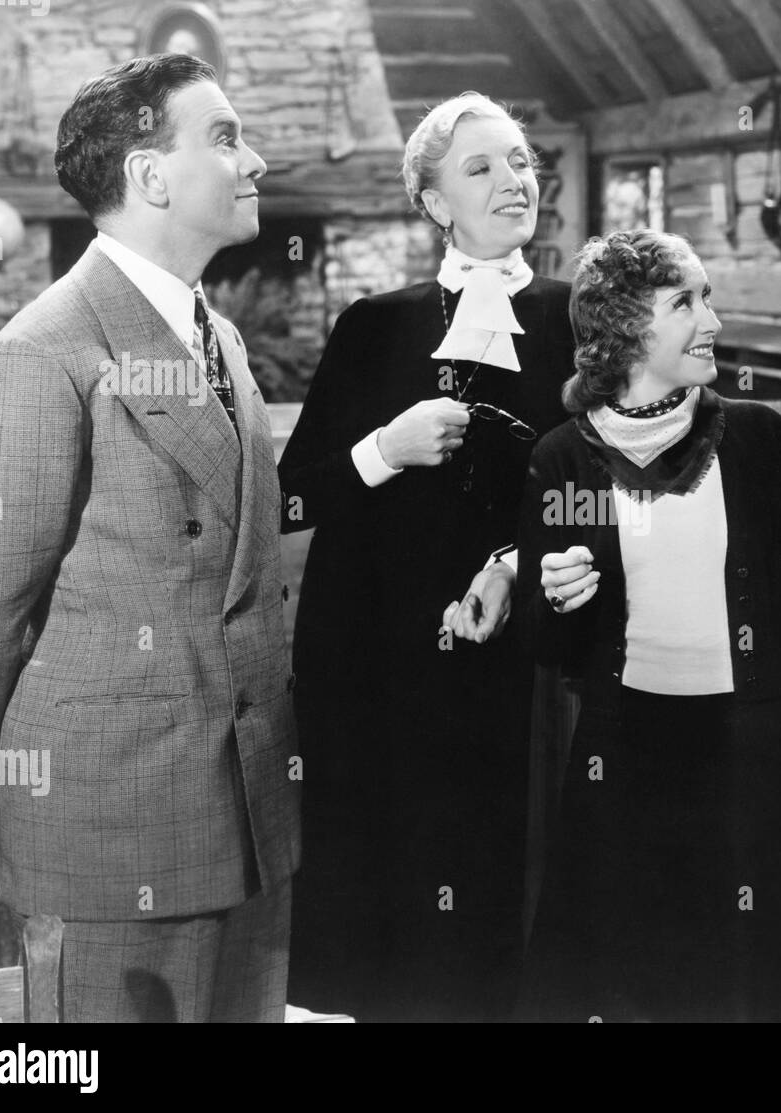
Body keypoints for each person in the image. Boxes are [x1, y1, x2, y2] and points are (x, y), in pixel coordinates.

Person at [0, 54, 299, 1022]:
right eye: (225, 137)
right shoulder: (38, 356)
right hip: (113, 840)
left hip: (251, 826)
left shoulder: (215, 336)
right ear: (149, 177)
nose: (255, 160)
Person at [515, 229, 781, 1021]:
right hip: (621, 762)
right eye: (685, 302)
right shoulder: (565, 458)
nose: (713, 320)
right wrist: (554, 598)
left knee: (748, 984)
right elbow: (545, 648)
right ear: (625, 328)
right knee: (634, 983)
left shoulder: (755, 439)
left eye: (708, 298)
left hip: (750, 756)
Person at [279, 93, 575, 1021]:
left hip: (520, 648)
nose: (512, 182)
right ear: (435, 202)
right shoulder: (375, 324)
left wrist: (518, 565)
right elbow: (295, 494)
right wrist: (386, 448)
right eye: (480, 169)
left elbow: (610, 492)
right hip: (375, 650)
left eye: (520, 162)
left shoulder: (580, 317)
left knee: (503, 873)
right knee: (390, 882)